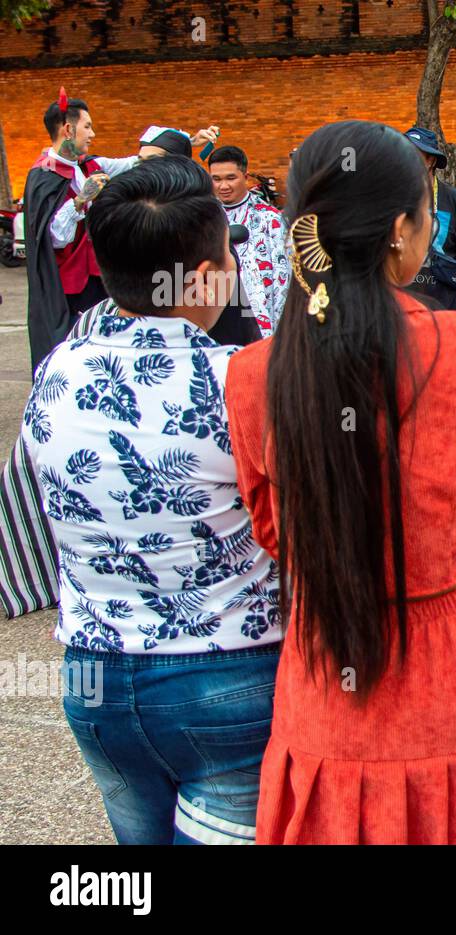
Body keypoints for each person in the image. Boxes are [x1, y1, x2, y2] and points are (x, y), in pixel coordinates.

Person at [224, 121, 456, 844]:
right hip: (453, 661)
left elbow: (267, 522)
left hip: (326, 669)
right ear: (398, 231)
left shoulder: (257, 372)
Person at [22, 155, 281, 844]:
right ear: (202, 275)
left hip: (95, 678)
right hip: (227, 675)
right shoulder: (242, 381)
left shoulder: (56, 370)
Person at [23, 92, 140, 373]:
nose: (92, 133)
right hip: (67, 288)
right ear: (67, 129)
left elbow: (132, 163)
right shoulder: (43, 175)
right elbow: (53, 238)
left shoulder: (87, 165)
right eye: (87, 126)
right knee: (73, 354)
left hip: (99, 279)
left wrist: (183, 140)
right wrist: (79, 201)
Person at [208, 145, 290, 337]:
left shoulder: (270, 219)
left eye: (231, 178)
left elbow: (283, 279)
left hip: (262, 320)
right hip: (216, 316)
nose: (223, 186)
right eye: (216, 179)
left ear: (245, 177)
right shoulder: (202, 220)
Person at [403, 126, 456, 311]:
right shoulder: (390, 197)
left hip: (444, 309)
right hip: (399, 309)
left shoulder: (454, 201)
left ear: (431, 160)